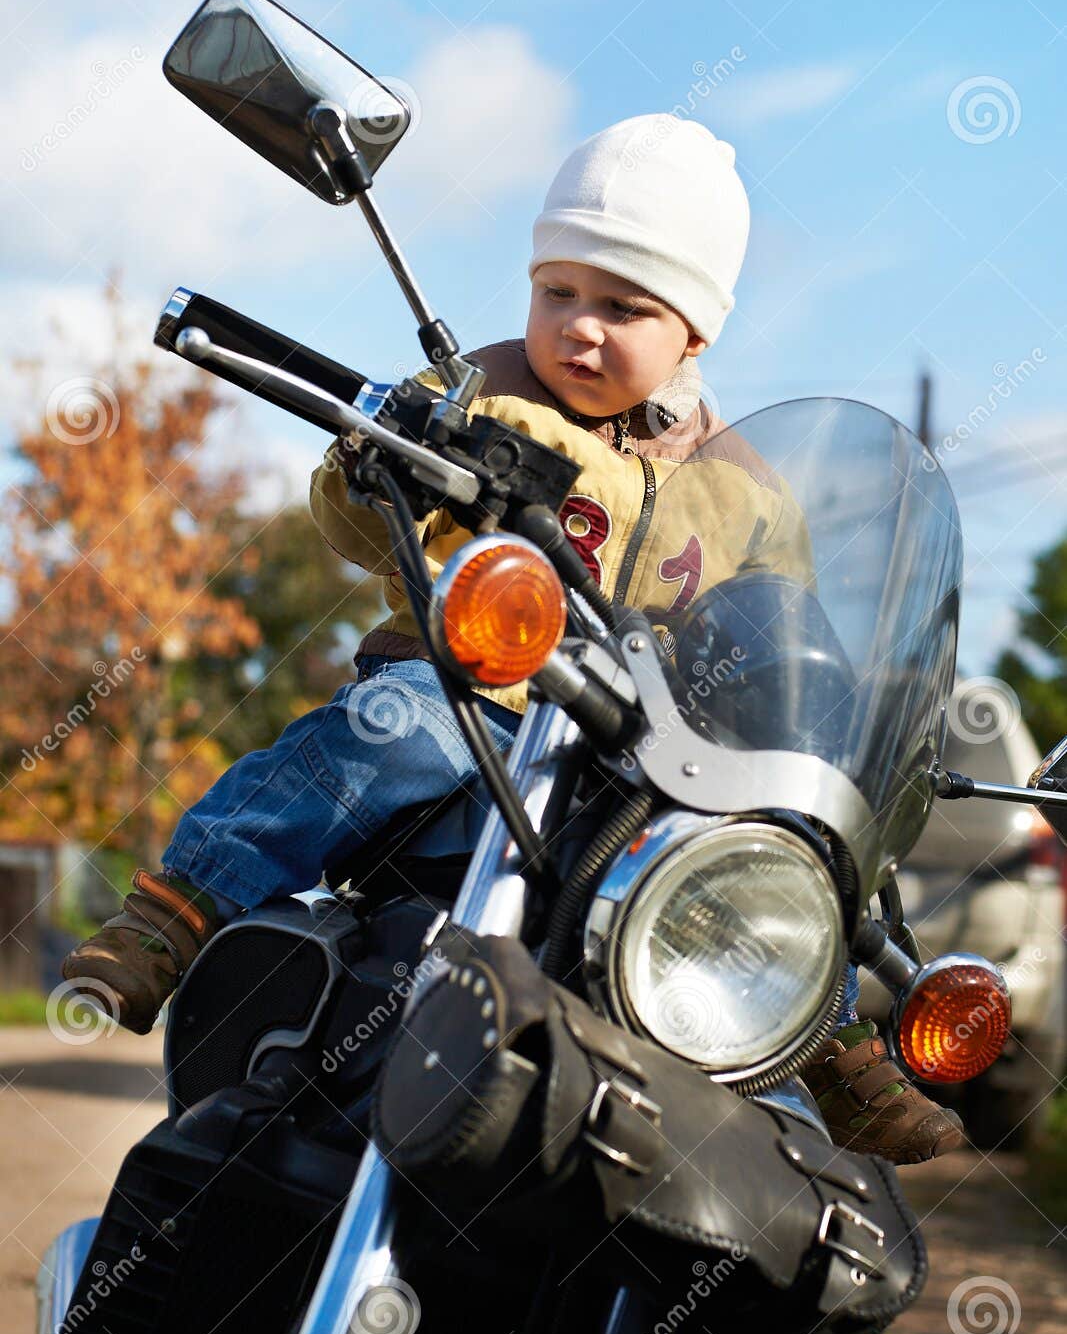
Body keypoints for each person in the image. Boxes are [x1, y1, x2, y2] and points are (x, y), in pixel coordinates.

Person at [61, 114, 963, 1163]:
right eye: (556, 292)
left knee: (765, 842)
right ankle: (182, 906)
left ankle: (818, 1032)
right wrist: (371, 463)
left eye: (622, 306)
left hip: (644, 751)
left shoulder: (743, 486)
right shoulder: (481, 392)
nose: (578, 327)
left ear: (694, 332)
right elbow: (353, 520)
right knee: (394, 735)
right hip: (472, 687)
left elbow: (787, 638)